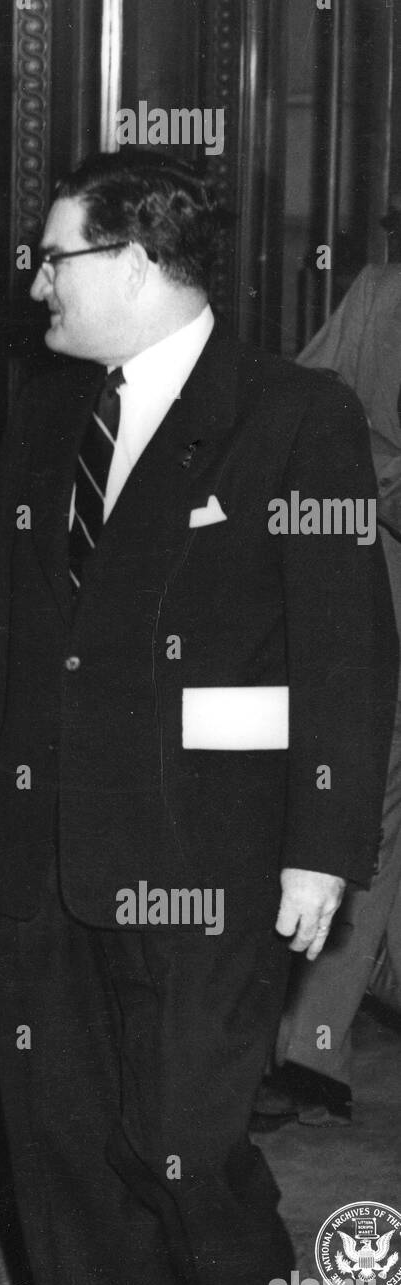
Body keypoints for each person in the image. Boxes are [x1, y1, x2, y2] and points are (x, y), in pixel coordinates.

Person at [0, 151, 397, 1285]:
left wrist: (324, 848)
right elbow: (1, 627)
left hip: (213, 863)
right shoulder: (45, 413)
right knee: (61, 1153)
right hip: (44, 856)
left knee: (179, 1144)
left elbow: (346, 646)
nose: (38, 283)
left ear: (136, 263)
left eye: (57, 259)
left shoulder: (296, 414)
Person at [261, 261, 401, 1125]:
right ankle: (310, 1047)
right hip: (377, 600)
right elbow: (307, 420)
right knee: (363, 813)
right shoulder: (382, 297)